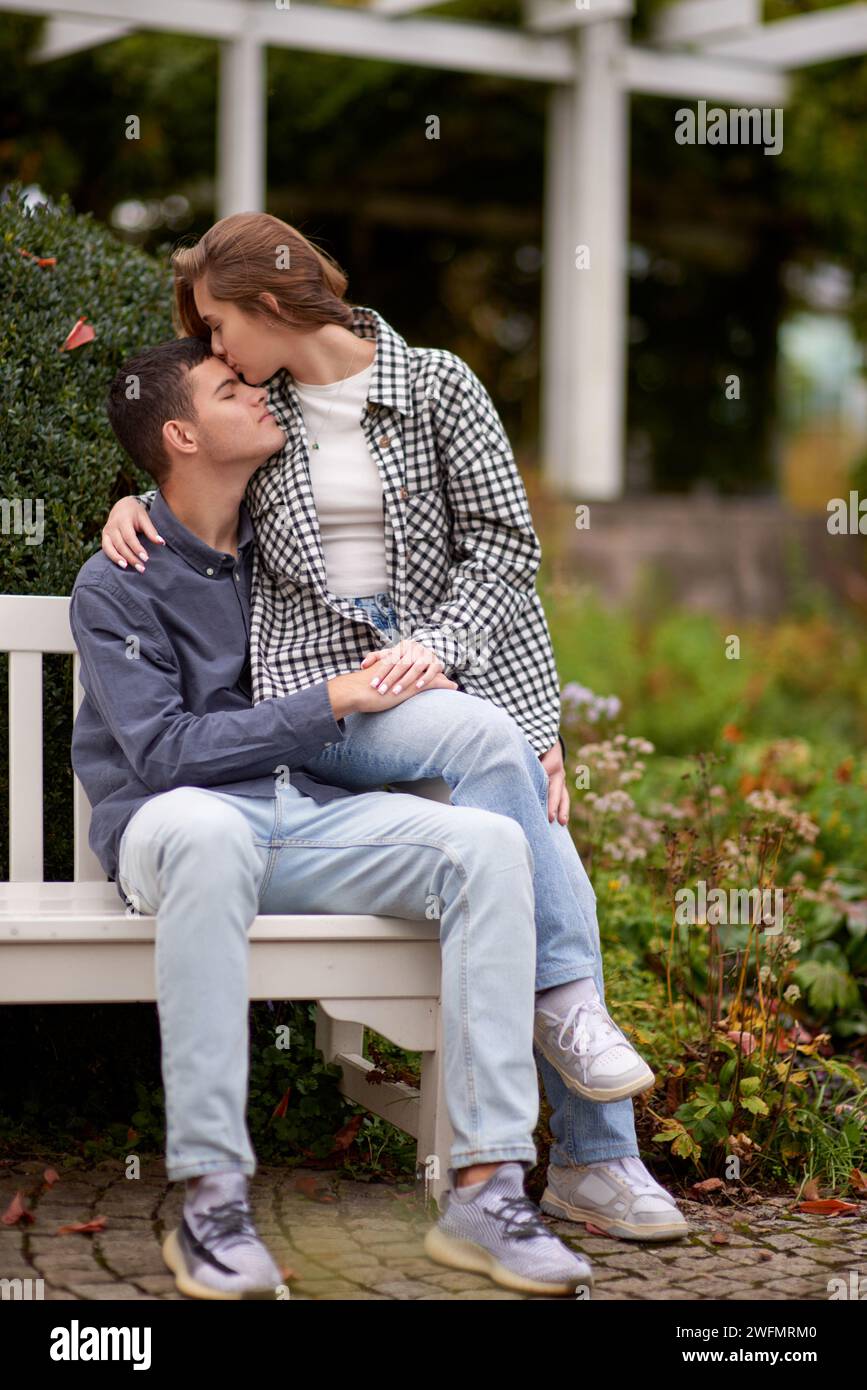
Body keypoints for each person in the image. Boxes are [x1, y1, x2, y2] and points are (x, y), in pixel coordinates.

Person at [100, 213, 687, 1243]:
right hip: (325, 709)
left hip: (446, 689)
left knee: (509, 790)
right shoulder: (257, 411)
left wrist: (517, 708)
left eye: (221, 326)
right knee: (481, 744)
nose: (215, 353)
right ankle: (589, 1106)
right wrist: (126, 499)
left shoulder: (441, 388)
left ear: (274, 305)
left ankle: (591, 1155)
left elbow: (505, 553)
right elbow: (192, 468)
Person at [71, 335, 596, 1300]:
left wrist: (532, 727)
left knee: (486, 844)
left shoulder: (281, 549)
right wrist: (331, 702)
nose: (260, 394)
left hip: (298, 819)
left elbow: (481, 575)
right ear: (182, 434)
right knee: (207, 826)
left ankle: (485, 1185)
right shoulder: (118, 578)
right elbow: (165, 756)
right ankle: (213, 1200)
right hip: (173, 830)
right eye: (234, 390)